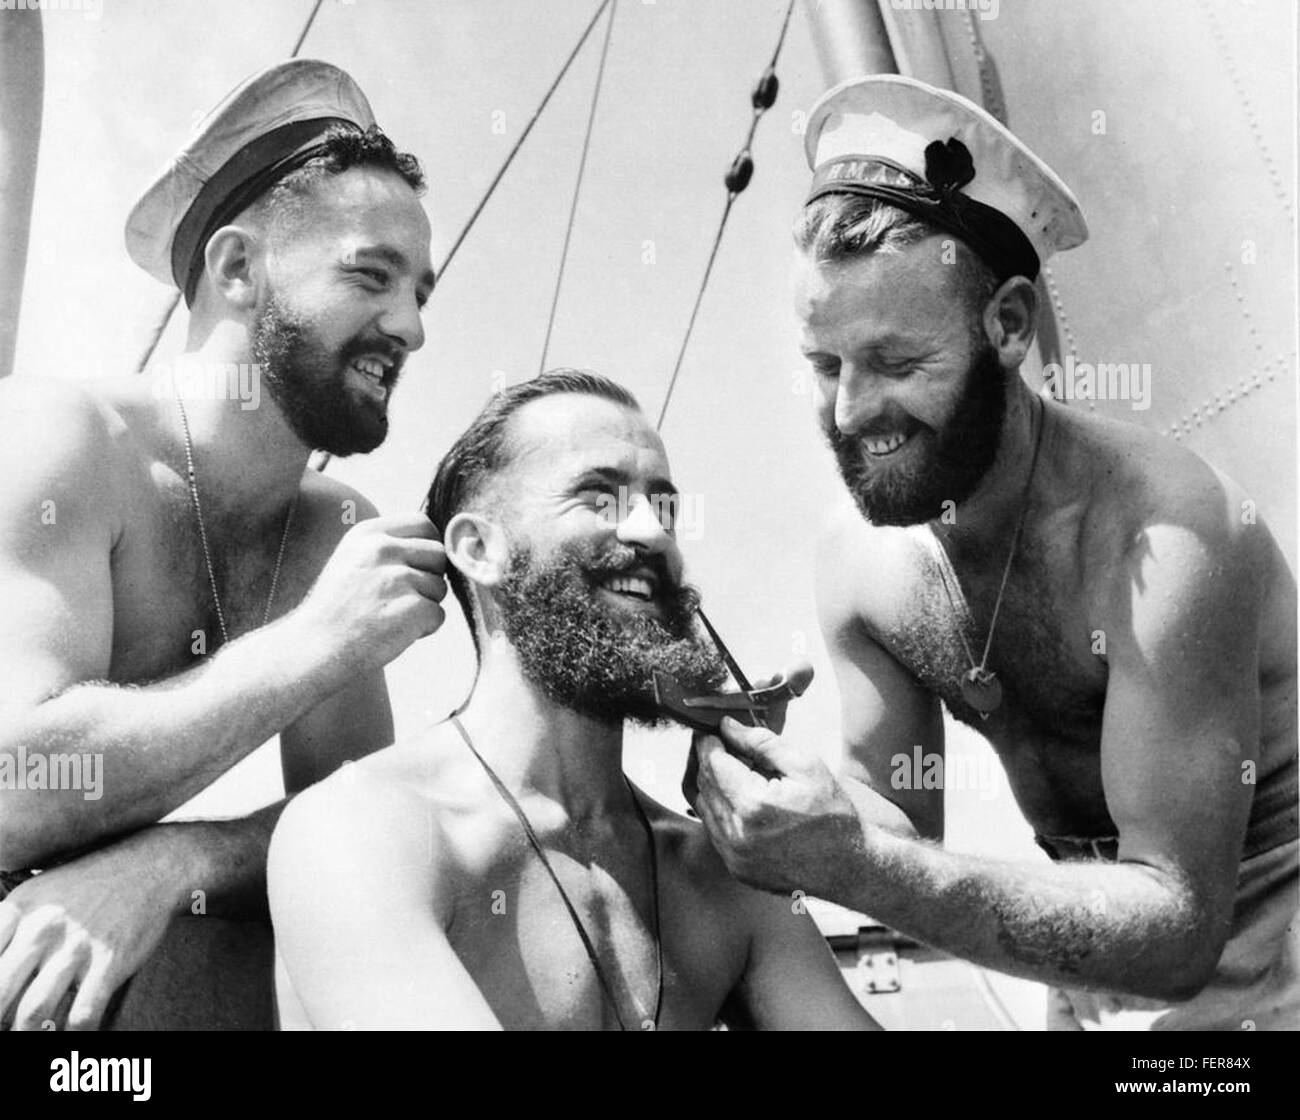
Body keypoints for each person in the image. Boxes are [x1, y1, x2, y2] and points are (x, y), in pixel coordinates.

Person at [691, 75, 1298, 1030]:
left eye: (897, 364)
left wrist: (856, 855)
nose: (850, 413)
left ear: (1009, 326)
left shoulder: (1166, 534)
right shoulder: (865, 568)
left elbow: (1179, 927)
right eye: (824, 365)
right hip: (1089, 956)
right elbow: (893, 831)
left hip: (1266, 946)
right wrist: (765, 776)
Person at [0, 59, 447, 1030]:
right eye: (371, 276)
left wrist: (179, 861)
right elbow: (14, 790)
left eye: (420, 290)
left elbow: (357, 827)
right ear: (238, 270)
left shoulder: (333, 532)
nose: (409, 326)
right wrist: (315, 643)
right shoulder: (60, 437)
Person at [268, 370, 879, 1030]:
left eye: (664, 507)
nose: (654, 534)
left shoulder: (720, 874)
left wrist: (830, 848)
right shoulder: (366, 829)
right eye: (600, 498)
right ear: (479, 549)